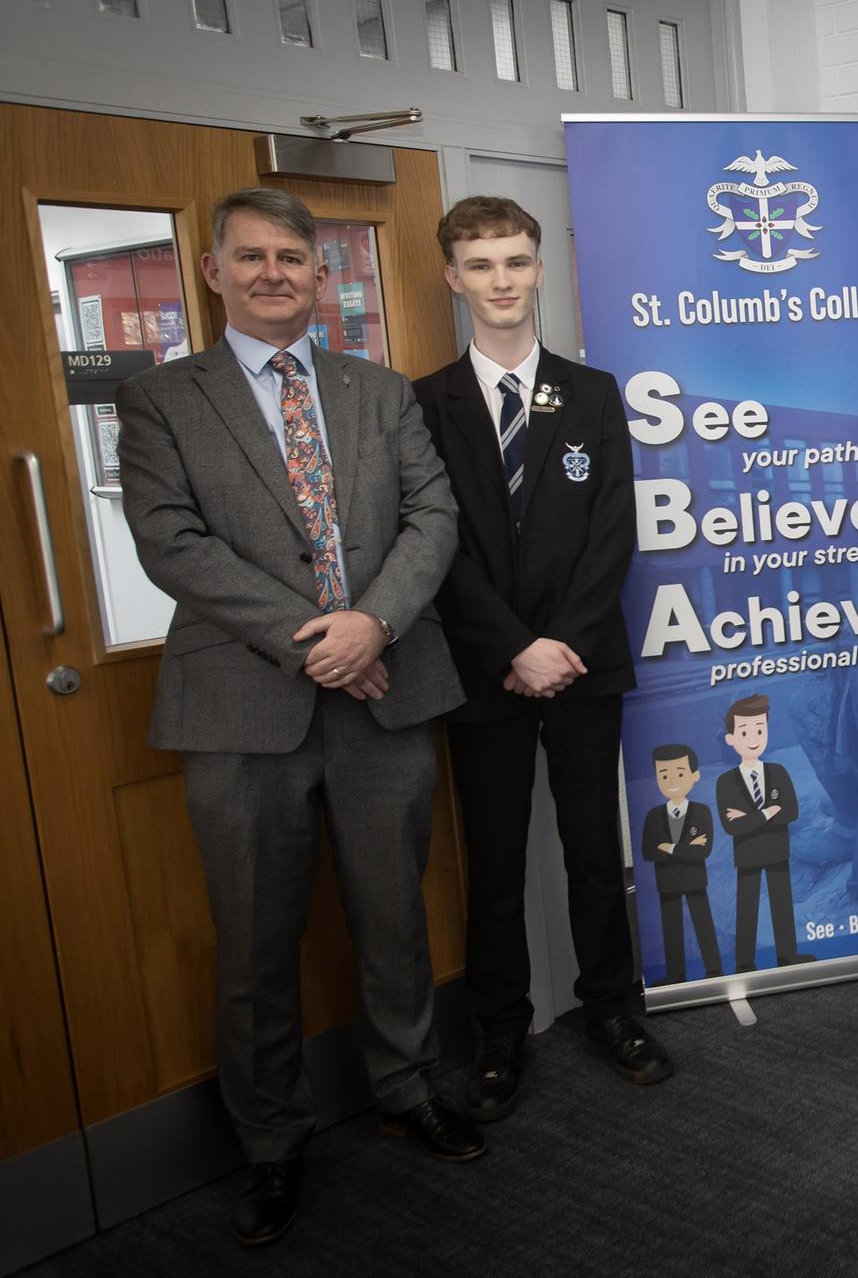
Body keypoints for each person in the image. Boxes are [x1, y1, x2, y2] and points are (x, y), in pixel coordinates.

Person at [117, 187, 478, 1247]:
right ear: (213, 270)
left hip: (387, 693)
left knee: (393, 915)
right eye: (252, 256)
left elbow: (433, 514)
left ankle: (406, 1088)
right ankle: (270, 1141)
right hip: (240, 708)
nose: (274, 271)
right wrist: (323, 637)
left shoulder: (377, 391)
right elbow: (171, 542)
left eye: (293, 257)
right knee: (255, 938)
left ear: (323, 278)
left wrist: (373, 622)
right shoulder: (162, 399)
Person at [413, 195, 671, 1124]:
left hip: (582, 663)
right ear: (454, 277)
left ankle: (613, 1012)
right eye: (481, 266)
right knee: (493, 861)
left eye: (516, 262)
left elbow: (613, 535)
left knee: (595, 851)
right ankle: (499, 1033)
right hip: (486, 671)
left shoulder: (593, 393)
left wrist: (557, 644)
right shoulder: (425, 403)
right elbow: (434, 545)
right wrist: (514, 647)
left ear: (538, 270)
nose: (501, 282)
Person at [717, 693, 817, 971]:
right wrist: (766, 812)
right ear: (730, 739)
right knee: (747, 905)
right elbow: (731, 825)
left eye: (759, 729)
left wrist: (752, 817)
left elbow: (790, 812)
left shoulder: (778, 772)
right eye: (745, 731)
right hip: (747, 853)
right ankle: (744, 962)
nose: (753, 737)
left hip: (776, 848)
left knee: (781, 904)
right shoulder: (726, 782)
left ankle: (788, 954)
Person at [642, 744, 723, 983]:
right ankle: (675, 975)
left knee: (703, 923)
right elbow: (648, 851)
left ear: (694, 776)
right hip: (666, 881)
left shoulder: (702, 812)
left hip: (695, 878)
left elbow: (703, 850)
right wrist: (687, 848)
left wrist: (671, 847)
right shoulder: (653, 816)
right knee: (671, 929)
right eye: (664, 775)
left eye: (679, 773)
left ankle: (715, 970)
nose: (672, 781)